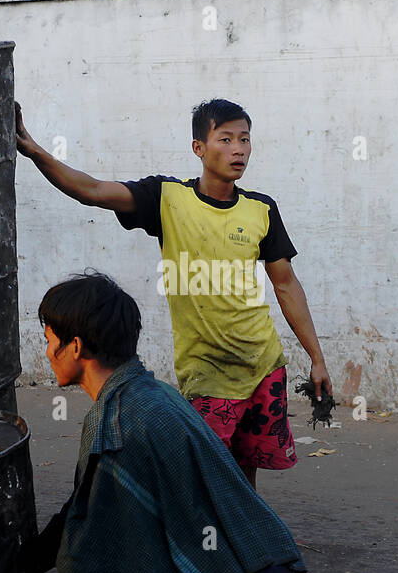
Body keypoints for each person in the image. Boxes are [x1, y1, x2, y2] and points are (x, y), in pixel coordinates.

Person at [0, 273, 310, 573]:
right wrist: (24, 564)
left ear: (77, 347)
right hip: (251, 562)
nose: (46, 353)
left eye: (49, 340)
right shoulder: (147, 392)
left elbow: (98, 556)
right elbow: (85, 506)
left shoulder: (118, 428)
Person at [16, 98, 330, 490]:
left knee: (245, 474)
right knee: (204, 477)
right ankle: (208, 545)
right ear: (199, 147)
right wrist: (34, 151)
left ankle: (245, 543)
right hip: (206, 376)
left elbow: (285, 285)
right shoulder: (166, 199)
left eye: (245, 140)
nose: (238, 150)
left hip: (263, 366)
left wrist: (316, 357)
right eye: (226, 139)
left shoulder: (261, 210)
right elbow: (92, 190)